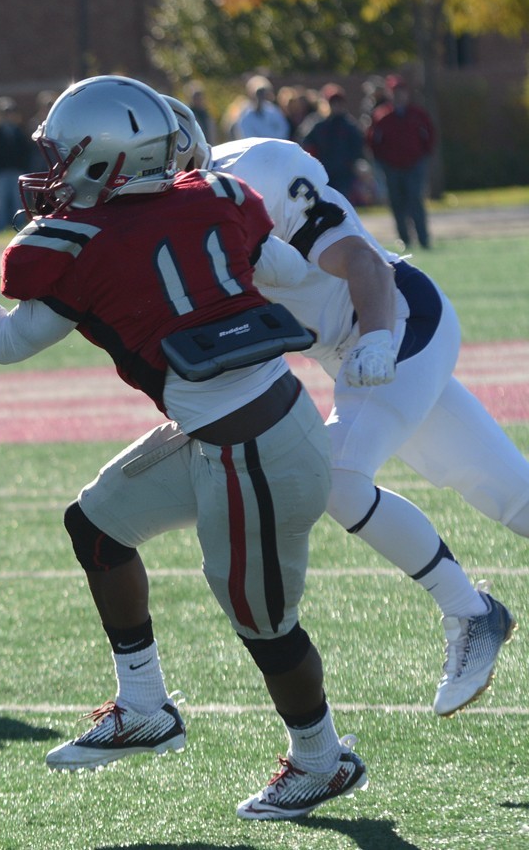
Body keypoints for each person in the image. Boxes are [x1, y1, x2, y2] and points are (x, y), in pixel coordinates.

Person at [0, 76, 367, 821]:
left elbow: (9, 342)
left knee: (263, 624)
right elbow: (289, 273)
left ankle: (322, 759)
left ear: (110, 160)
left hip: (257, 450)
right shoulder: (220, 198)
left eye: (64, 155)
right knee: (98, 526)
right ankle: (144, 706)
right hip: (231, 427)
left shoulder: (77, 243)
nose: (51, 172)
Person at [169, 101, 521, 714]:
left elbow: (360, 259)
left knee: (336, 476)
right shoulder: (162, 223)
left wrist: (380, 338)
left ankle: (471, 611)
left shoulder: (258, 170)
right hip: (345, 351)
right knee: (510, 492)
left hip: (394, 319)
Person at [365, 75, 437, 250]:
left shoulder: (417, 114)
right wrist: (382, 162)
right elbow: (373, 141)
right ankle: (405, 239)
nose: (399, 95)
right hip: (391, 167)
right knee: (397, 203)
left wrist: (422, 156)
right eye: (395, 92)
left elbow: (430, 136)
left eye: (402, 91)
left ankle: (423, 239)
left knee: (415, 200)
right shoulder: (382, 116)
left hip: (414, 164)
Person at [301, 85, 366, 197]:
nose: (336, 106)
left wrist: (351, 163)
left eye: (339, 102)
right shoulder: (318, 124)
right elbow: (306, 143)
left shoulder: (349, 125)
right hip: (323, 170)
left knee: (342, 200)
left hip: (344, 172)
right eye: (333, 103)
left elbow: (358, 147)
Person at [0, 96, 29, 232]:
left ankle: (19, 226)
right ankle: (0, 227)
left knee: (18, 200)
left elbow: (25, 151)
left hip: (16, 171)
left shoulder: (19, 132)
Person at [234, 75, 292, 141]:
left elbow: (283, 129)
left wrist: (273, 142)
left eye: (262, 93)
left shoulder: (273, 110)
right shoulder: (244, 113)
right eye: (258, 94)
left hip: (274, 147)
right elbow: (245, 133)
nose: (260, 97)